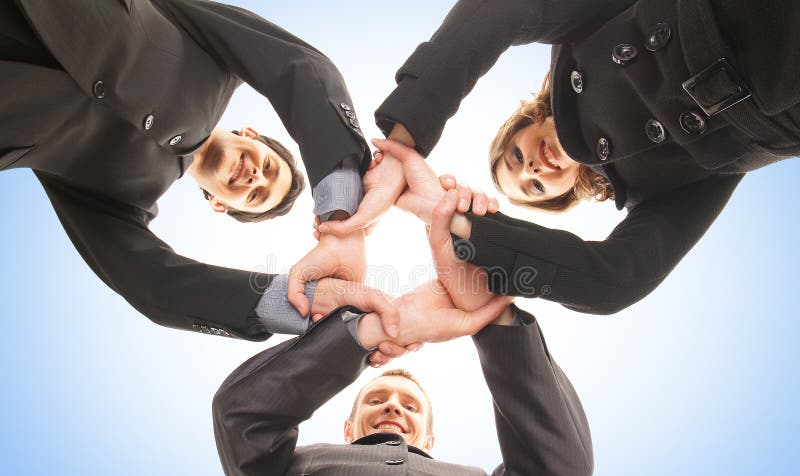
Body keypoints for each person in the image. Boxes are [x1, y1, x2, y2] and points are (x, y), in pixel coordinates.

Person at [319, 0, 800, 315]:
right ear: (563, 196)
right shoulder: (661, 192)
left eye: (514, 156)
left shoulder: (578, 40)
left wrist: (404, 146)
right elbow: (614, 281)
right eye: (533, 188)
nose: (530, 170)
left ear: (525, 123)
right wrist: (446, 216)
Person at [0, 0, 404, 343]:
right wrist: (342, 218)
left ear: (218, 205)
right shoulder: (215, 63)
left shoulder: (122, 202)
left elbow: (152, 286)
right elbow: (300, 67)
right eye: (268, 166)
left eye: (256, 195)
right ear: (252, 134)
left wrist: (297, 301)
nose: (256, 178)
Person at [212, 282, 593, 476]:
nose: (393, 407)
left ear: (428, 438)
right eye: (377, 399)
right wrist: (375, 331)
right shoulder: (288, 471)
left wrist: (494, 317)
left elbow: (558, 469)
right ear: (348, 429)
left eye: (410, 406)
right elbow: (244, 412)